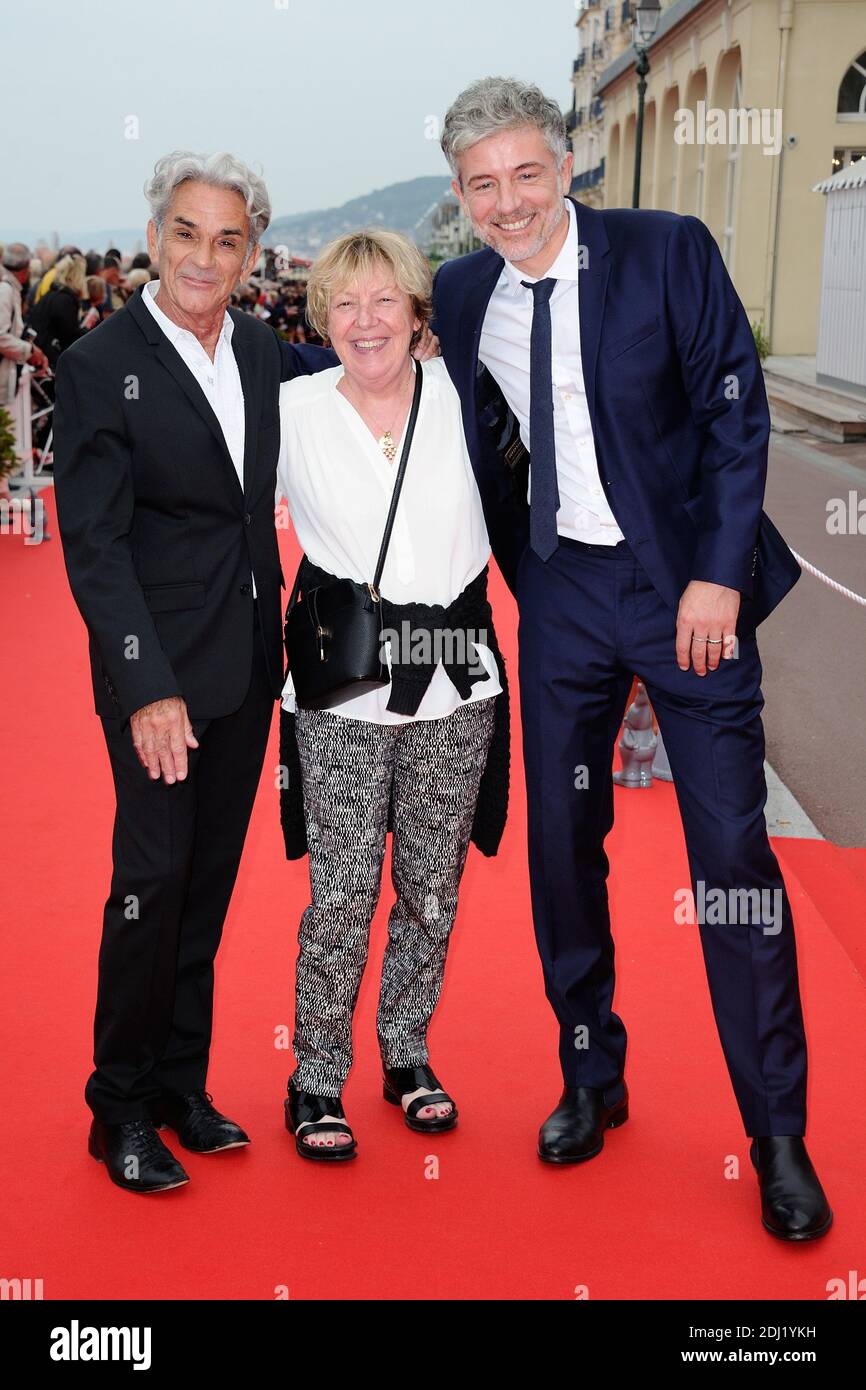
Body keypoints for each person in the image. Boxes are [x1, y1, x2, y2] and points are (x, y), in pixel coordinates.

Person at [433, 76, 831, 1241]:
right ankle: (588, 1072)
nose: (507, 202)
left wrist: (715, 573)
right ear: (459, 195)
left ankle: (775, 1134)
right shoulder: (461, 292)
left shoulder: (665, 251)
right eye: (480, 185)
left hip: (681, 591)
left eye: (524, 173)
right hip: (560, 594)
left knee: (730, 859)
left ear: (565, 167)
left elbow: (733, 415)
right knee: (560, 846)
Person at [52, 150, 339, 1195]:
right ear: (154, 236)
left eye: (226, 239)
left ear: (251, 253)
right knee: (150, 885)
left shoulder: (261, 349)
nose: (202, 258)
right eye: (185, 232)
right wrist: (146, 687)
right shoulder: (100, 365)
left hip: (248, 666)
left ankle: (180, 1084)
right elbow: (95, 546)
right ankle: (118, 1105)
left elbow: (359, 374)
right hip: (158, 680)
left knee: (206, 886)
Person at [276, 229, 510, 1161]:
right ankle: (315, 1074)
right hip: (343, 681)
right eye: (344, 302)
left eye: (384, 301)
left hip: (456, 675)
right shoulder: (291, 408)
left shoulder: (469, 396)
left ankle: (406, 1052)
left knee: (430, 889)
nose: (364, 321)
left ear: (419, 315)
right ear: (321, 318)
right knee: (340, 893)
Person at [0, 242, 48, 412]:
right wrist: (30, 351)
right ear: (26, 267)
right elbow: (1, 338)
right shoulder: (5, 291)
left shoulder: (9, 289)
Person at [26, 254, 87, 367]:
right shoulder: (65, 300)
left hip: (40, 355)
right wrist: (88, 331)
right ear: (77, 276)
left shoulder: (52, 294)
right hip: (50, 360)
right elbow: (68, 336)